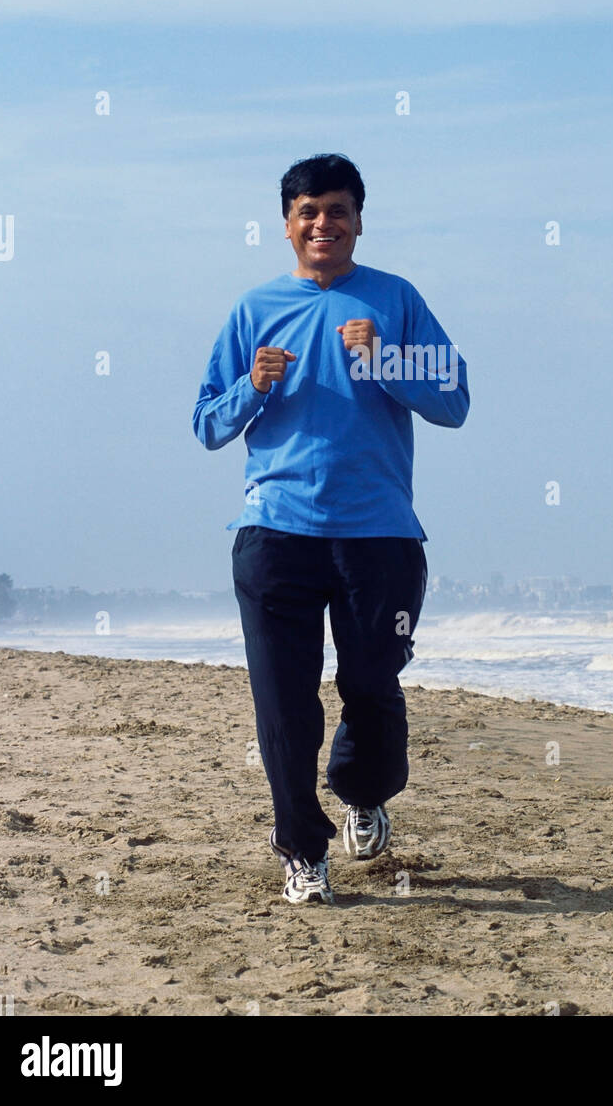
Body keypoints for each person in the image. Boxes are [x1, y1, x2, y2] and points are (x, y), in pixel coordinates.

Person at [192, 153, 469, 904]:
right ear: (286, 224)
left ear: (357, 220)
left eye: (337, 210)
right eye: (308, 211)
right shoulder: (254, 311)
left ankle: (362, 790)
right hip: (274, 533)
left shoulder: (395, 299)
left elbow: (453, 400)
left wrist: (386, 361)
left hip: (378, 535)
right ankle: (301, 852)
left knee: (371, 683)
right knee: (283, 703)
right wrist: (252, 384)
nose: (323, 224)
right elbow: (205, 424)